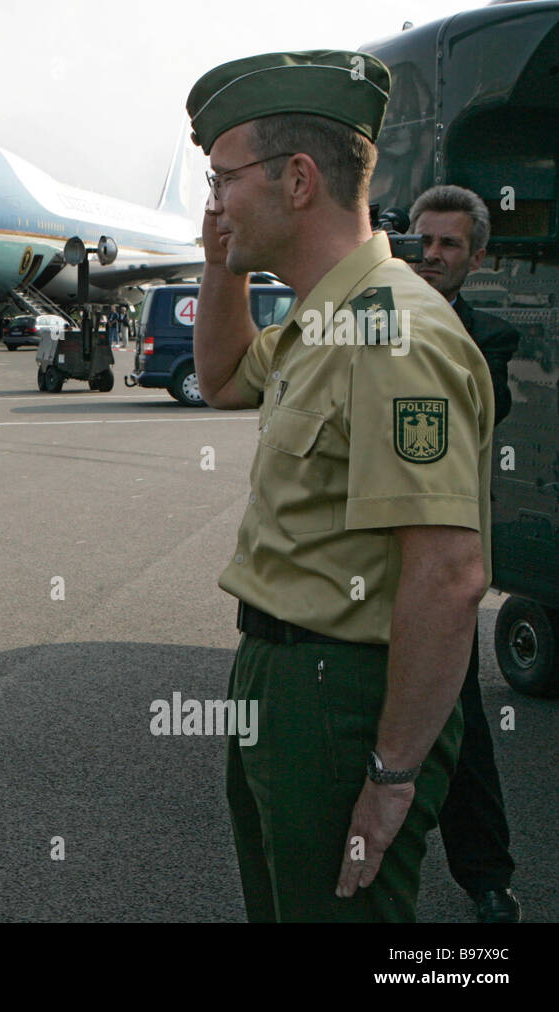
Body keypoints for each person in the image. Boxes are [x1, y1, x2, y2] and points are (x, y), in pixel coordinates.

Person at [188, 51, 495, 921]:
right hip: (281, 675)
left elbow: (447, 575)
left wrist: (392, 773)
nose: (212, 202)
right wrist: (223, 263)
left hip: (336, 695)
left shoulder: (392, 334)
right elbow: (221, 379)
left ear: (296, 179)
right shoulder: (325, 316)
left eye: (223, 179)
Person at [410, 183, 521, 922]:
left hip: (442, 567)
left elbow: (481, 399)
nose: (434, 255)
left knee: (461, 732)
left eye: (450, 244)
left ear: (476, 256)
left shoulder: (487, 337)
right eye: (424, 241)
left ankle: (488, 883)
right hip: (364, 563)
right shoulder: (371, 322)